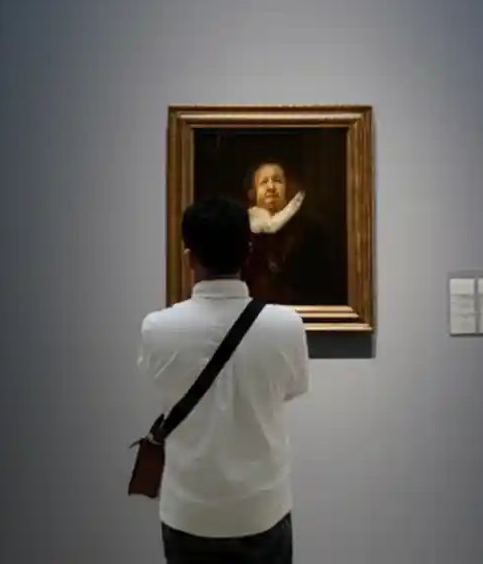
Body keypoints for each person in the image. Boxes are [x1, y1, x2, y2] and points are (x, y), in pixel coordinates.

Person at [138, 196, 310, 563]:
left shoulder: (157, 328)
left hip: (189, 512)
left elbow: (159, 387)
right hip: (262, 509)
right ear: (248, 253)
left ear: (188, 257)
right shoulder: (287, 326)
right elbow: (294, 388)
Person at [241, 161, 343, 305]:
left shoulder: (312, 231)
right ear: (252, 193)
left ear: (288, 189)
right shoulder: (241, 230)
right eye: (264, 182)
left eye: (277, 181)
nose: (271, 187)